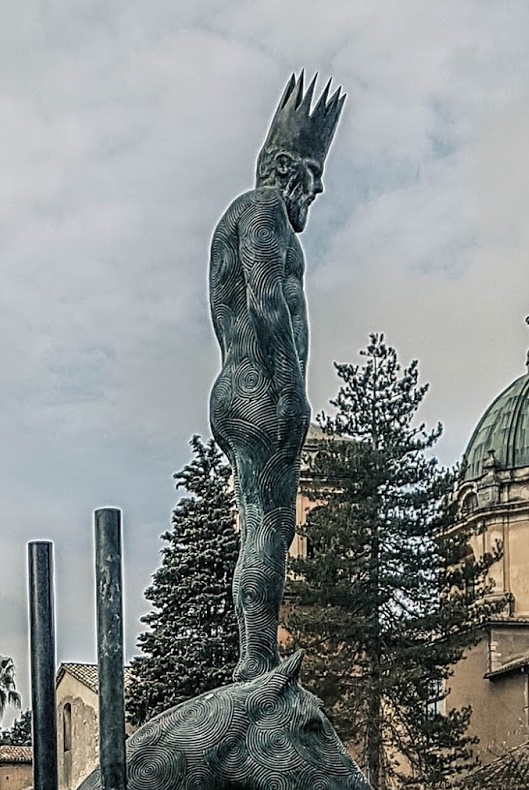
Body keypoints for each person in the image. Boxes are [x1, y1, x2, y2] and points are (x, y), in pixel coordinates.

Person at [208, 73, 344, 680]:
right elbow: (266, 299)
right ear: (287, 171)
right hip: (261, 389)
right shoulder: (263, 211)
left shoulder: (244, 215)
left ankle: (253, 653)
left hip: (239, 388)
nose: (310, 202)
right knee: (268, 522)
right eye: (310, 186)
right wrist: (291, 392)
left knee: (266, 522)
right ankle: (255, 662)